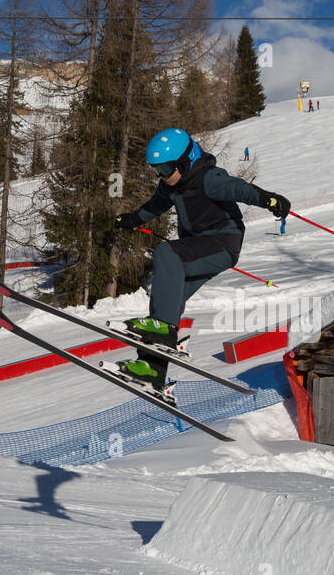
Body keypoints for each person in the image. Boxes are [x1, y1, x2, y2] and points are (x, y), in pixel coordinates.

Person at [113, 129, 291, 391]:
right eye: (156, 170)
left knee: (165, 252)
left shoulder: (209, 178)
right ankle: (152, 370)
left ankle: (162, 332)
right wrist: (133, 219)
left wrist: (268, 199)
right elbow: (155, 205)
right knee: (165, 303)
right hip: (197, 247)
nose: (161, 175)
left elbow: (237, 188)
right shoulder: (170, 184)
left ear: (185, 161)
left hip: (222, 242)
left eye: (165, 168)